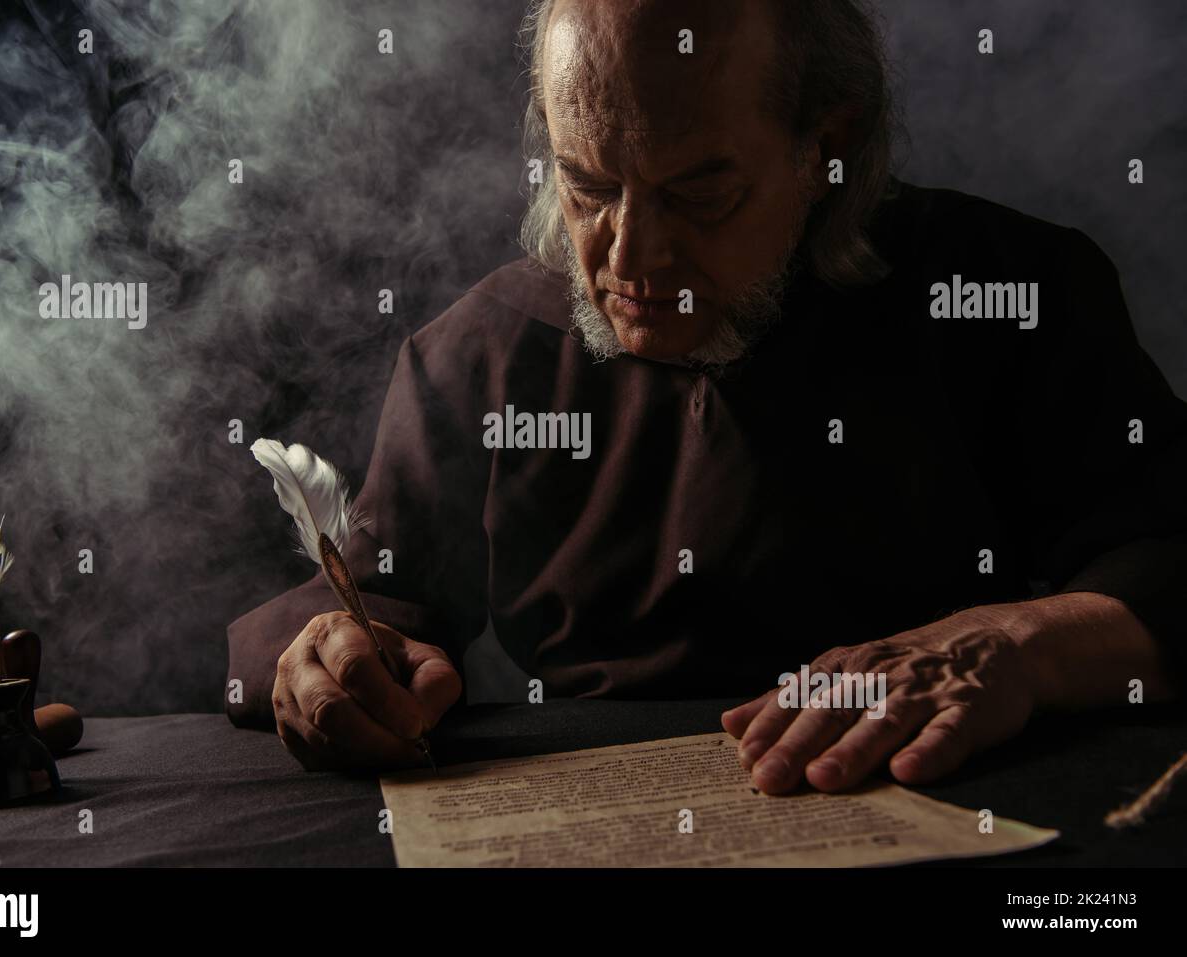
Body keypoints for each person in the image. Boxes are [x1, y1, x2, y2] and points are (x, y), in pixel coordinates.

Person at [227, 0, 1187, 794]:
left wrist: (1020, 641)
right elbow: (370, 596)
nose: (632, 259)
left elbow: (1169, 556)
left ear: (828, 143)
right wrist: (335, 655)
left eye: (700, 194)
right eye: (588, 184)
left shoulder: (1005, 293)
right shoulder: (479, 358)